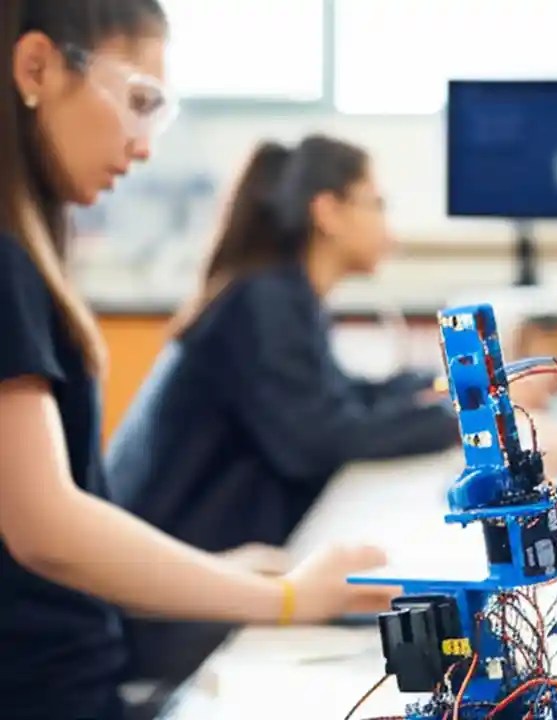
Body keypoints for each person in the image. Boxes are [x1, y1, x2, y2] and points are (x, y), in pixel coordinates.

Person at [0, 3, 399, 719]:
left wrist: (219, 573)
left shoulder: (26, 255)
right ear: (36, 68)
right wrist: (283, 598)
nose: (145, 144)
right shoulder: (6, 262)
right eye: (139, 100)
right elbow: (46, 525)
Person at [107, 135, 458, 556]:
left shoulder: (279, 294)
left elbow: (341, 397)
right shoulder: (264, 301)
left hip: (193, 556)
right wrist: (457, 423)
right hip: (168, 577)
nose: (390, 230)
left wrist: (448, 388)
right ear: (328, 212)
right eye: (376, 204)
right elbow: (319, 438)